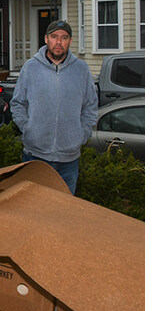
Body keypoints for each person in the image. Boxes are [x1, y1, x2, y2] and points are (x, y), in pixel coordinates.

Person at [10, 21, 98, 194]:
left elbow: (90, 106)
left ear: (70, 41)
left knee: (63, 212)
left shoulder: (81, 70)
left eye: (64, 38)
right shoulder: (30, 68)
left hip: (69, 160)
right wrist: (28, 129)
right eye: (54, 37)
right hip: (35, 156)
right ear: (46, 39)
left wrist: (81, 135)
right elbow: (18, 103)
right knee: (34, 208)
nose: (59, 42)